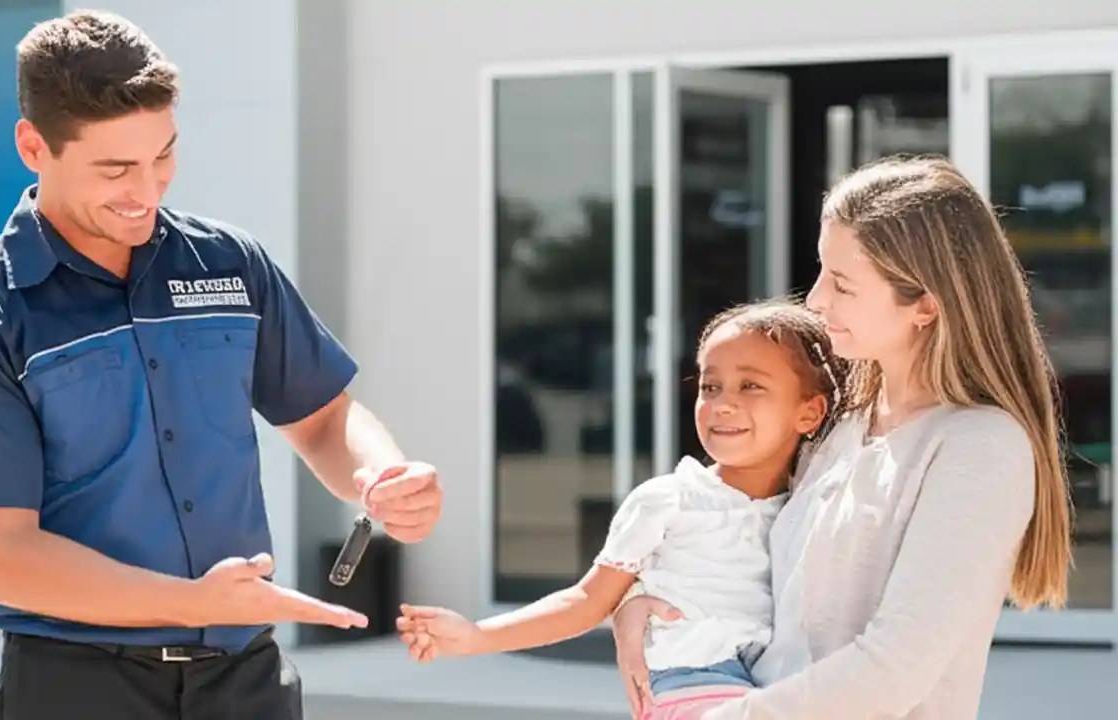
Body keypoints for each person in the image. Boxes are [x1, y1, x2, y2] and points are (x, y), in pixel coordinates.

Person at [0, 10, 442, 719]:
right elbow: (6, 557)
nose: (148, 189)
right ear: (33, 147)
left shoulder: (231, 264)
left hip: (245, 682)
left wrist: (378, 474)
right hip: (76, 689)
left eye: (163, 154)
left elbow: (323, 418)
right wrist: (189, 602)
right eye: (115, 168)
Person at [611, 155, 1074, 720]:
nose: (815, 301)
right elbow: (740, 560)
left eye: (843, 284)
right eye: (822, 273)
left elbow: (895, 668)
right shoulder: (840, 426)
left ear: (925, 305)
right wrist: (640, 602)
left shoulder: (979, 447)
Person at [396, 300, 847, 718]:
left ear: (808, 413)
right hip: (689, 683)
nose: (722, 403)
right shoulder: (668, 500)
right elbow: (586, 601)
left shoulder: (808, 501)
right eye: (710, 385)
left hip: (762, 684)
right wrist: (478, 637)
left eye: (750, 386)